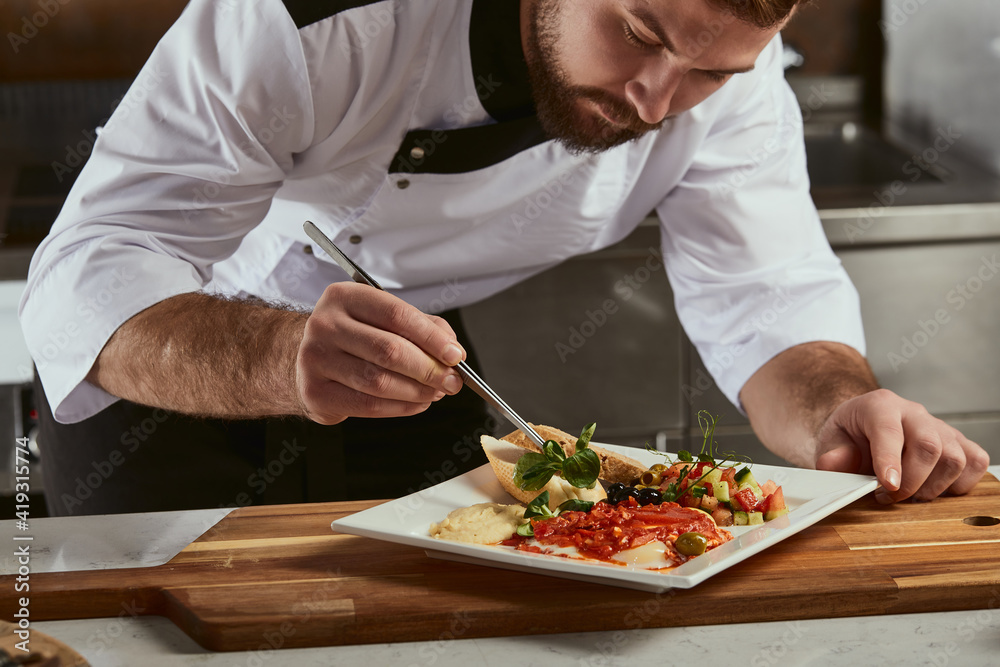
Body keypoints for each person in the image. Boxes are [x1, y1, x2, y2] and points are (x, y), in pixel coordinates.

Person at [20, 0, 989, 515]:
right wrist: (281, 358)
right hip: (180, 364)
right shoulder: (304, 19)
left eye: (706, 71)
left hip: (424, 370)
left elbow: (763, 297)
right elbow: (88, 273)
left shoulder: (725, 85)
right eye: (637, 33)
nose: (658, 99)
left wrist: (838, 410)